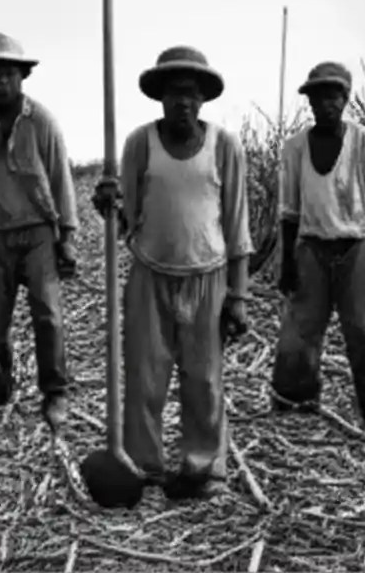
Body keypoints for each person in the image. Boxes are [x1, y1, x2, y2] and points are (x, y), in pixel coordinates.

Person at [92, 45, 252, 500]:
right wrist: (109, 203)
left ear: (203, 99)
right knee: (145, 374)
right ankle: (145, 467)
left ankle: (205, 470)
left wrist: (238, 297)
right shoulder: (140, 143)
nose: (183, 101)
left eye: (191, 93)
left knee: (204, 378)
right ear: (160, 98)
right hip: (150, 275)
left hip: (209, 278)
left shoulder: (225, 146)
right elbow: (125, 220)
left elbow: (237, 225)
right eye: (174, 93)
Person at [0, 32, 78, 428]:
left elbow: (61, 179)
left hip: (37, 230)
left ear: (22, 76)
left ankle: (55, 392)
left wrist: (67, 238)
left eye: (8, 74)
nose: (1, 82)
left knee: (48, 313)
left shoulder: (41, 121)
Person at [272, 62, 365, 437]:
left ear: (345, 99)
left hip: (357, 248)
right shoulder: (295, 147)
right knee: (299, 330)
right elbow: (289, 212)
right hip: (312, 248)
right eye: (317, 96)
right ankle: (295, 405)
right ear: (309, 102)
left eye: (333, 95)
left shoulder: (364, 142)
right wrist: (286, 263)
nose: (325, 103)